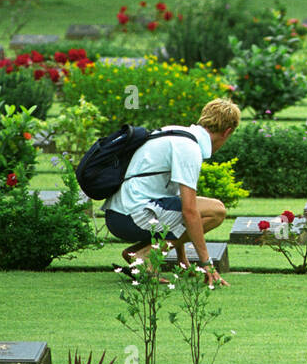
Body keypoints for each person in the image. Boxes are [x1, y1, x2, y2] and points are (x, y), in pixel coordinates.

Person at [103, 98, 241, 287]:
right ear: (227, 132)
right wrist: (207, 265)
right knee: (216, 211)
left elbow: (173, 203)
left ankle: (138, 252)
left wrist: (181, 258)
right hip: (133, 216)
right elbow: (189, 212)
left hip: (118, 214)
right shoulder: (190, 149)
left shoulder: (177, 134)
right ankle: (146, 255)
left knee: (199, 206)